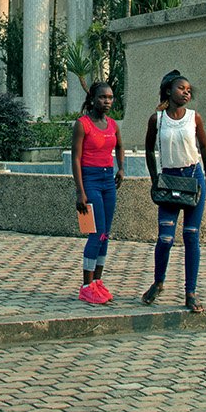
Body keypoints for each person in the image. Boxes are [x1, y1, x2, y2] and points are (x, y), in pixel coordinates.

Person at [141, 70, 206, 312]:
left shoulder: (194, 118)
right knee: (165, 238)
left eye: (188, 90)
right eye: (181, 88)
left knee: (191, 235)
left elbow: (204, 147)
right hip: (169, 181)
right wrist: (154, 179)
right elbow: (149, 150)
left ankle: (190, 292)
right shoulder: (157, 119)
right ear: (169, 92)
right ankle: (159, 281)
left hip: (193, 179)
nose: (186, 92)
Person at [71, 82, 124, 304]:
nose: (107, 102)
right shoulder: (83, 125)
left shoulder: (112, 124)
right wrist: (80, 191)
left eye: (110, 97)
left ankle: (97, 282)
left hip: (107, 180)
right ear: (92, 99)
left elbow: (120, 146)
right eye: (103, 97)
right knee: (96, 232)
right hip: (90, 179)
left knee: (106, 234)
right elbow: (75, 158)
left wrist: (121, 167)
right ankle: (86, 285)